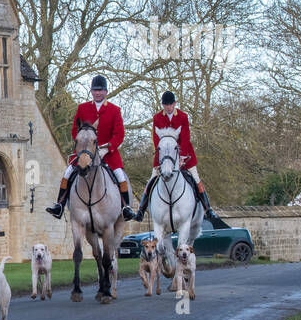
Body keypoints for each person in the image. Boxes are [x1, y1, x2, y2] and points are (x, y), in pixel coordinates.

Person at [45, 74, 136, 222]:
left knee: (120, 176)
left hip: (108, 153)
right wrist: (82, 145)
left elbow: (119, 134)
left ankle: (126, 208)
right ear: (91, 91)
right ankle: (59, 205)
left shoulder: (114, 110)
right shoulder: (83, 108)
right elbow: (75, 130)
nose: (98, 93)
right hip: (85, 152)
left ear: (106, 92)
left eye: (100, 90)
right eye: (95, 90)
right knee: (67, 173)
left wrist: (108, 148)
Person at [134, 91, 222, 225]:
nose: (168, 107)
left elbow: (186, 138)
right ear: (163, 105)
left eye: (170, 104)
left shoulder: (183, 116)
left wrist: (182, 157)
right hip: (163, 156)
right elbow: (156, 138)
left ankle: (208, 209)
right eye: (166, 105)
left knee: (195, 177)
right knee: (152, 178)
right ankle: (141, 210)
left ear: (175, 104)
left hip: (184, 155)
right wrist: (162, 156)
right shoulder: (157, 117)